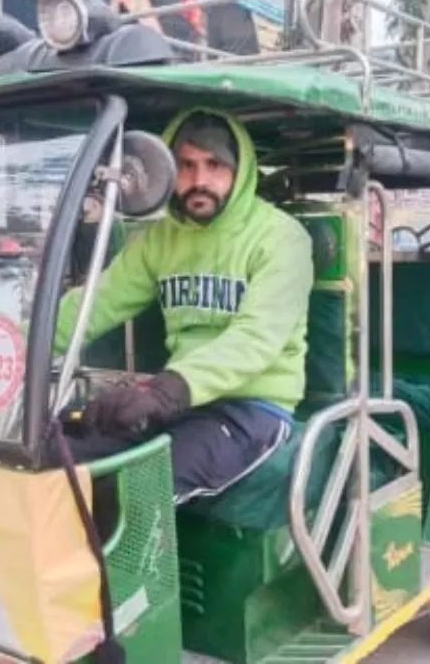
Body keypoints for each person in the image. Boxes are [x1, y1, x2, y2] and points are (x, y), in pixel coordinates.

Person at [49, 108, 314, 503]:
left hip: (251, 409)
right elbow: (98, 302)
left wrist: (166, 391)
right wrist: (14, 347)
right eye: (186, 166)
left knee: (139, 494)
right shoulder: (160, 239)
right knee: (55, 461)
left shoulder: (281, 238)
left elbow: (256, 339)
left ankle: (122, 566)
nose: (200, 181)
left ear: (239, 170)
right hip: (179, 402)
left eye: (215, 165)